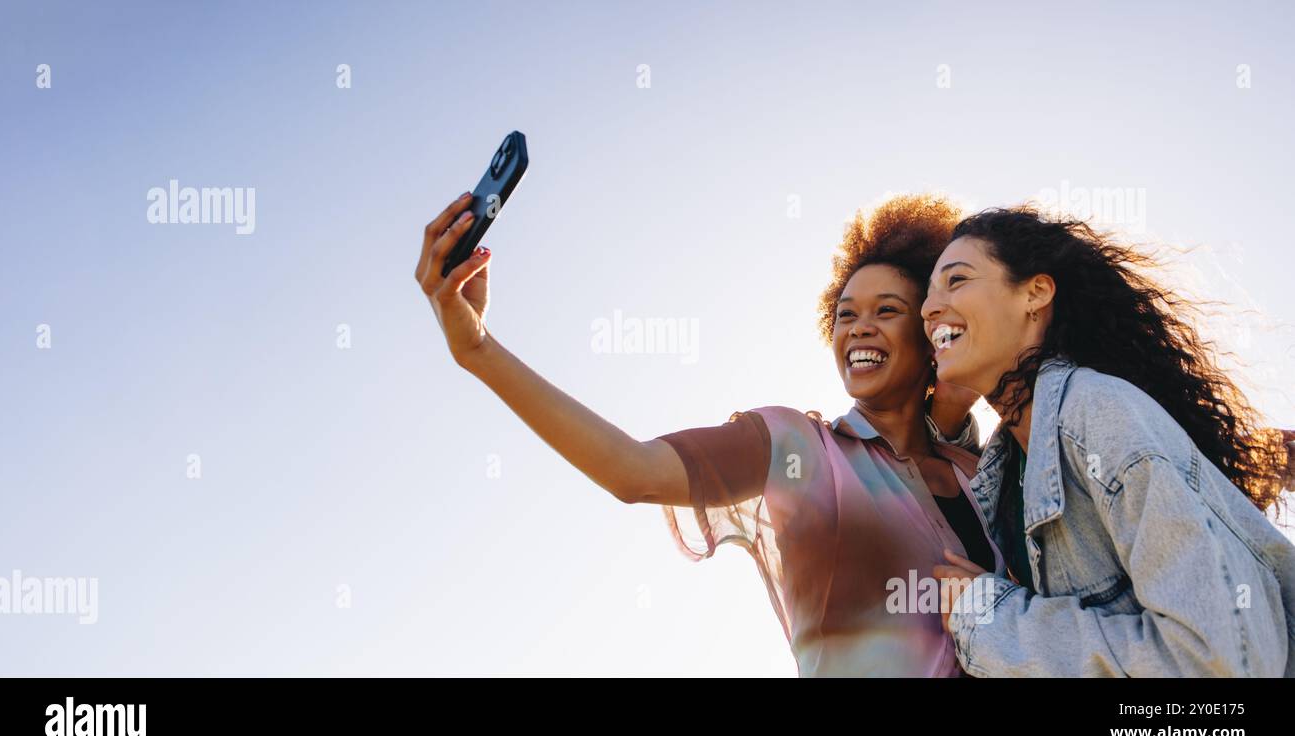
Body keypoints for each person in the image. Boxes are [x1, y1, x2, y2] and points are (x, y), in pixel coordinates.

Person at [415, 191, 1001, 676]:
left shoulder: (979, 471)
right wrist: (477, 350)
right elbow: (633, 471)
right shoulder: (796, 446)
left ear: (930, 331)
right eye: (846, 314)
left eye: (887, 310)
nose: (860, 328)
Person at [922, 207, 1295, 677]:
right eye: (928, 295)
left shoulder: (1095, 412)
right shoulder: (1009, 464)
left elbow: (1215, 662)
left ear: (1035, 294)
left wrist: (992, 621)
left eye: (956, 281)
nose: (929, 308)